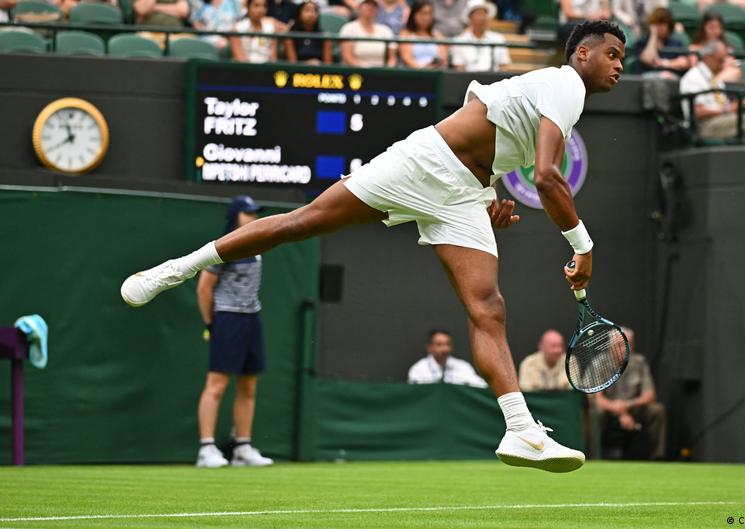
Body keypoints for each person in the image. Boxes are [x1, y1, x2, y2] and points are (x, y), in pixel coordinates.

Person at [121, 20, 627, 474]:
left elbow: (486, 120)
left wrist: (491, 190)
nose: (620, 66)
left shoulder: (553, 96)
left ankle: (520, 430)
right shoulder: (565, 85)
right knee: (300, 223)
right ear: (581, 54)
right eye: (612, 55)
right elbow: (546, 177)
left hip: (464, 192)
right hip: (425, 163)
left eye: (624, 59)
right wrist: (582, 247)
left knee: (487, 306)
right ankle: (181, 267)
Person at [194, 195, 274, 468]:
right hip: (227, 319)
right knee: (216, 385)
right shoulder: (223, 247)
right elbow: (204, 289)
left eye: (255, 213)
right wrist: (211, 324)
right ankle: (206, 449)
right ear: (235, 216)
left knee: (248, 385)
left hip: (252, 319)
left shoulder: (258, 245)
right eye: (247, 213)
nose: (253, 218)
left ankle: (242, 447)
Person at [680, 39, 745, 142]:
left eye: (723, 61)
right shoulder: (693, 77)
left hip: (721, 120)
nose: (722, 65)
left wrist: (737, 106)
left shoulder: (714, 79)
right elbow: (697, 112)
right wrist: (728, 109)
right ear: (707, 57)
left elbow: (722, 105)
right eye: (719, 61)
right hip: (704, 126)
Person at [594, 328, 666, 460]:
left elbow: (650, 394)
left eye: (629, 344)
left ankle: (658, 456)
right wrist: (619, 411)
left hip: (633, 407)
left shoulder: (639, 362)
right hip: (608, 409)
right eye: (620, 345)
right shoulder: (599, 363)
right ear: (610, 347)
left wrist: (628, 405)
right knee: (597, 413)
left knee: (657, 410)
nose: (625, 349)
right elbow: (596, 399)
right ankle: (594, 456)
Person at [408, 329, 489, 387]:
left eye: (447, 344)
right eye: (439, 345)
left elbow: (481, 387)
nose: (445, 349)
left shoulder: (463, 367)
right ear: (429, 348)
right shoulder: (418, 369)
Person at [631, 7, 692, 79]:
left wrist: (663, 63)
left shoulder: (676, 42)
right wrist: (653, 35)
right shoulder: (643, 41)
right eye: (658, 23)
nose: (661, 27)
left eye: (664, 24)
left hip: (671, 78)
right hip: (648, 78)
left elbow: (683, 63)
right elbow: (649, 60)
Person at [451, 0, 511, 72]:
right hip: (468, 81)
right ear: (470, 18)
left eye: (484, 14)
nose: (482, 18)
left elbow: (504, 66)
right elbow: (459, 68)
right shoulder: (460, 41)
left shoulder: (498, 39)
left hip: (494, 81)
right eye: (478, 14)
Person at [339, 0, 397, 67]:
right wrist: (365, 70)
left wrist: (387, 70)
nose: (370, 8)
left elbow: (392, 58)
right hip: (356, 73)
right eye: (367, 4)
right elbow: (347, 57)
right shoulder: (348, 28)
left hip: (381, 73)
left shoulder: (385, 30)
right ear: (359, 7)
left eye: (374, 6)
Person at [689, 12, 742, 82]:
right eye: (711, 27)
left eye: (718, 27)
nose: (715, 31)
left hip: (722, 79)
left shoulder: (727, 50)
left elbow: (729, 66)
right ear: (703, 28)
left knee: (735, 71)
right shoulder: (694, 49)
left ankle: (714, 85)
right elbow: (694, 68)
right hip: (700, 80)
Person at [399, 0, 449, 69]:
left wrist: (434, 67)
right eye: (423, 13)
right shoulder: (405, 34)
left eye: (429, 14)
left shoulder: (437, 35)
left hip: (435, 73)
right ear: (414, 15)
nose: (426, 17)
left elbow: (443, 58)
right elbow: (407, 58)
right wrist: (423, 68)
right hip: (415, 74)